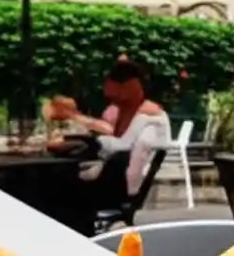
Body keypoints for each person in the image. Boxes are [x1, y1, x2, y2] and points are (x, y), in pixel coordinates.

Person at [48, 60, 170, 208]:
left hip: (121, 188)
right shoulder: (124, 110)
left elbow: (122, 147)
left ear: (132, 85)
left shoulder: (147, 114)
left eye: (116, 92)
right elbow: (113, 134)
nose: (111, 98)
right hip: (116, 179)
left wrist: (76, 122)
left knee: (55, 186)